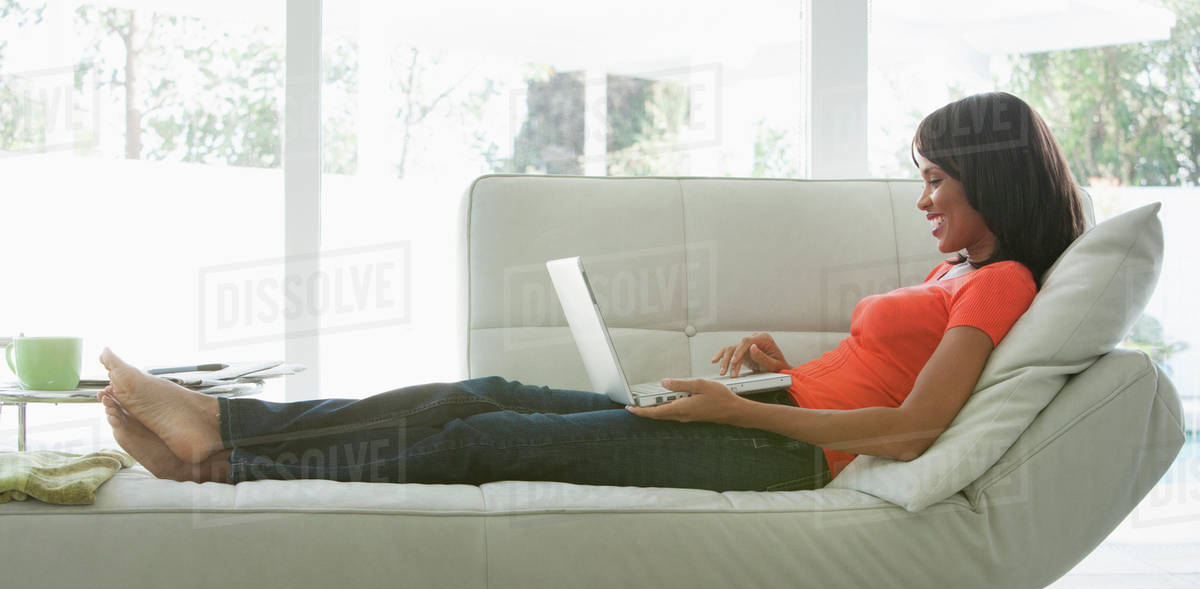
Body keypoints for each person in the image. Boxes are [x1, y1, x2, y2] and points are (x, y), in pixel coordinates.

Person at [98, 91, 1086, 490]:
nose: (920, 199)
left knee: (485, 439)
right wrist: (783, 370)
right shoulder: (959, 269)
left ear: (987, 178)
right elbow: (881, 377)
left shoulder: (1000, 282)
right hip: (768, 418)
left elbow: (913, 429)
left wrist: (742, 406)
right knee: (476, 391)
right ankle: (221, 418)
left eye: (934, 180)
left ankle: (229, 468)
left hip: (783, 460)